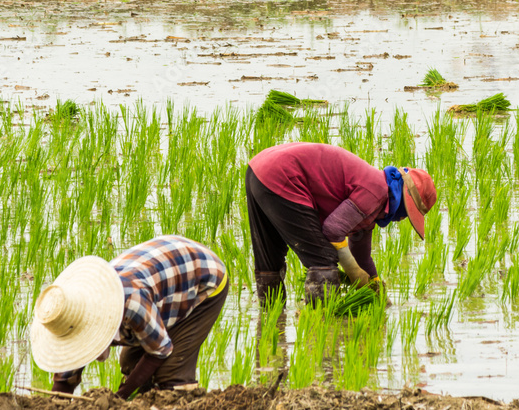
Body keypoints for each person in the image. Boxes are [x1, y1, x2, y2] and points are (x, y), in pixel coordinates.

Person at [31, 235, 228, 398]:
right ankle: (148, 397)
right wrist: (57, 402)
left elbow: (160, 349)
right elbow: (67, 375)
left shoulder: (131, 301)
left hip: (204, 277)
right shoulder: (75, 313)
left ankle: (180, 397)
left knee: (171, 374)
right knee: (131, 364)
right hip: (158, 281)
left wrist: (120, 398)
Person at [245, 142, 437, 305]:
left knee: (270, 257)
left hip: (258, 169)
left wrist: (375, 286)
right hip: (283, 174)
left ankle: (272, 322)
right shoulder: (376, 191)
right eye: (407, 213)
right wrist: (353, 272)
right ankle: (323, 325)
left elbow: (361, 256)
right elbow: (333, 230)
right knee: (323, 259)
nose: (402, 219)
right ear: (402, 200)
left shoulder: (373, 203)